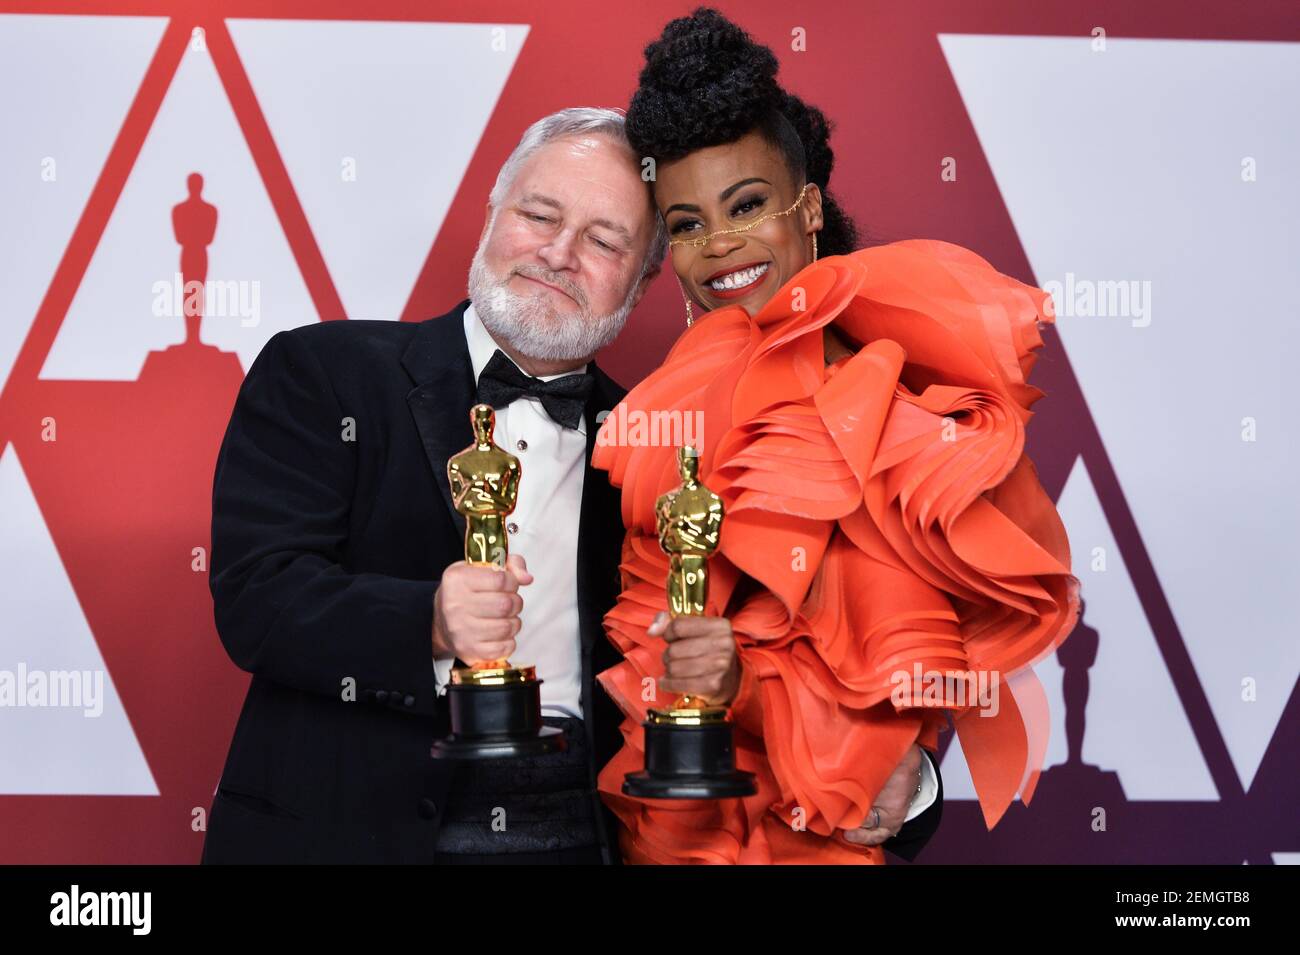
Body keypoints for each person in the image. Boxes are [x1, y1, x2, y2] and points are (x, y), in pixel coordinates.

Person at [200, 106, 942, 864]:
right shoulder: (327, 372)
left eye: (604, 240)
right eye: (539, 214)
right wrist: (424, 617)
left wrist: (902, 774)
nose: (558, 254)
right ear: (493, 210)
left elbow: (763, 658)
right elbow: (257, 597)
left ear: (645, 276)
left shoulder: (668, 446)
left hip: (580, 835)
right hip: (342, 833)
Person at [590, 8, 1081, 864]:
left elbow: (900, 685)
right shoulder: (648, 428)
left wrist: (909, 776)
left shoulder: (896, 415)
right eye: (687, 223)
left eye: (747, 205)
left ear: (808, 206)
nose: (722, 244)